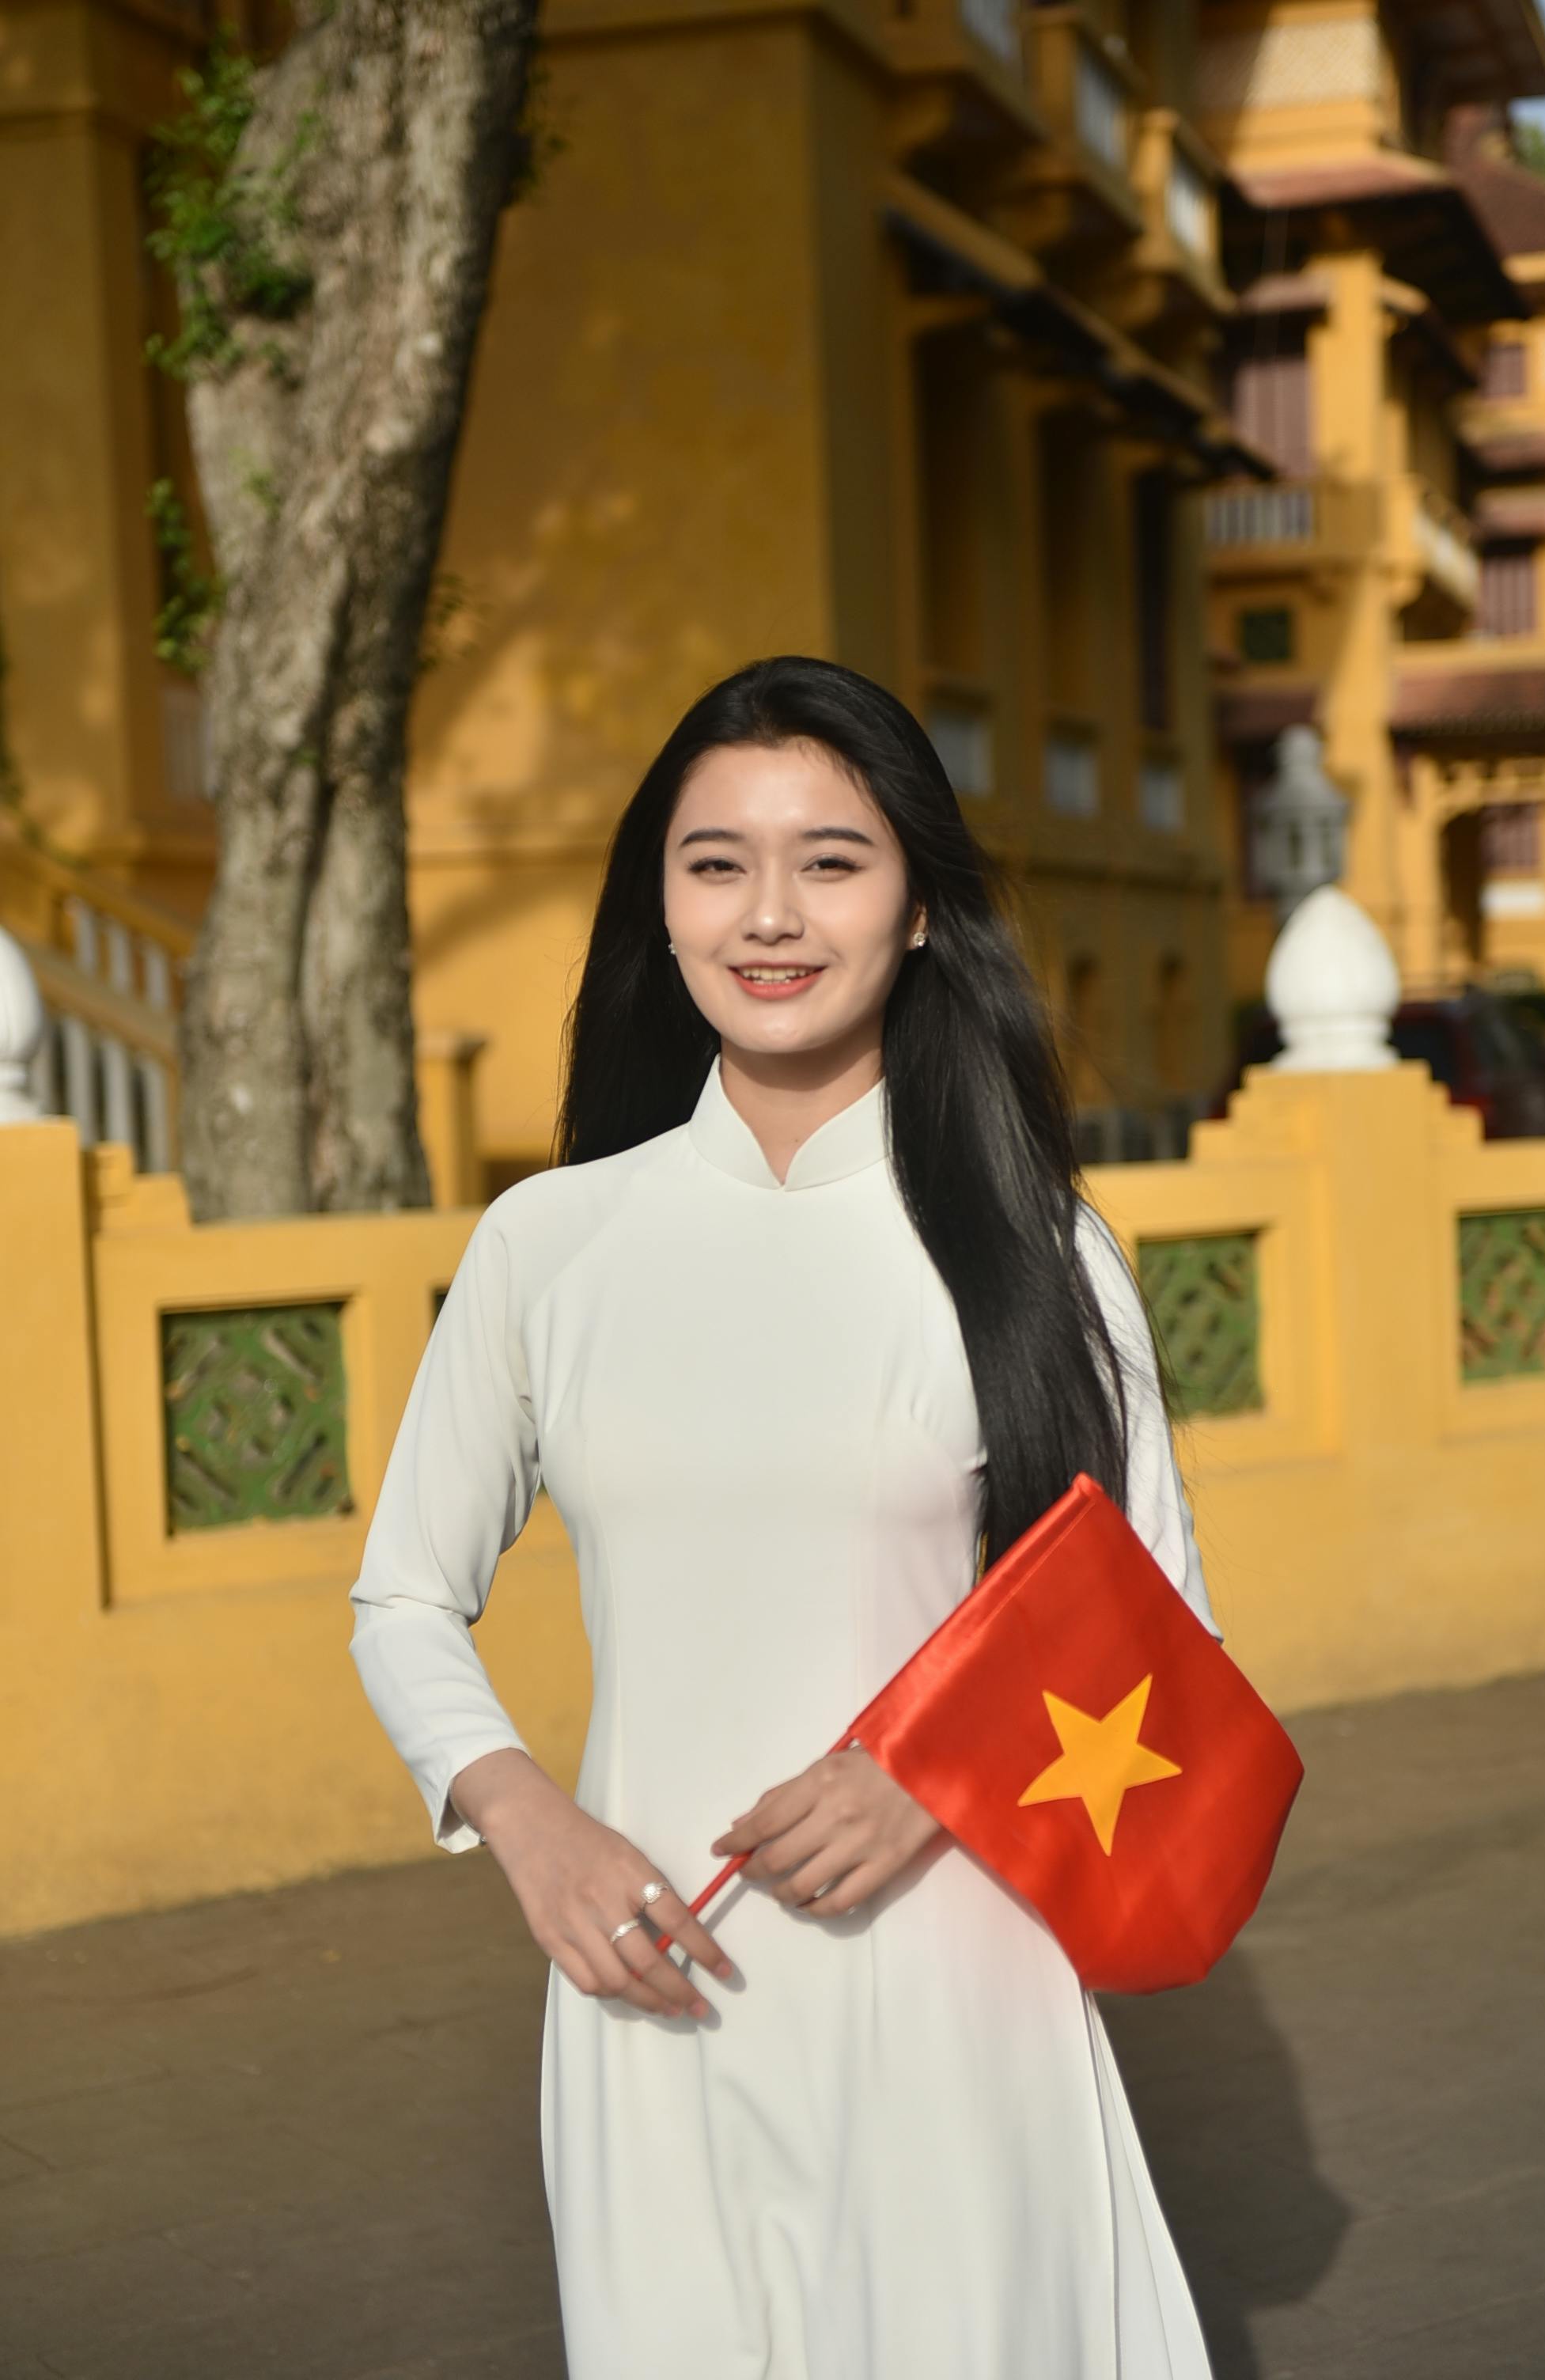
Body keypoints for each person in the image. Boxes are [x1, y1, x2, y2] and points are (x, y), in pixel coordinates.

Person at [349, 655, 1219, 2378]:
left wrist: (931, 1774)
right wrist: (529, 1821)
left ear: (913, 911)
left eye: (830, 858)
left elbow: (1163, 1636)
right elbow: (401, 1599)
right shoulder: (550, 1246)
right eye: (712, 860)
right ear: (655, 907)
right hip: (647, 1986)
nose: (768, 912)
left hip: (953, 1992)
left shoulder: (1038, 1256)